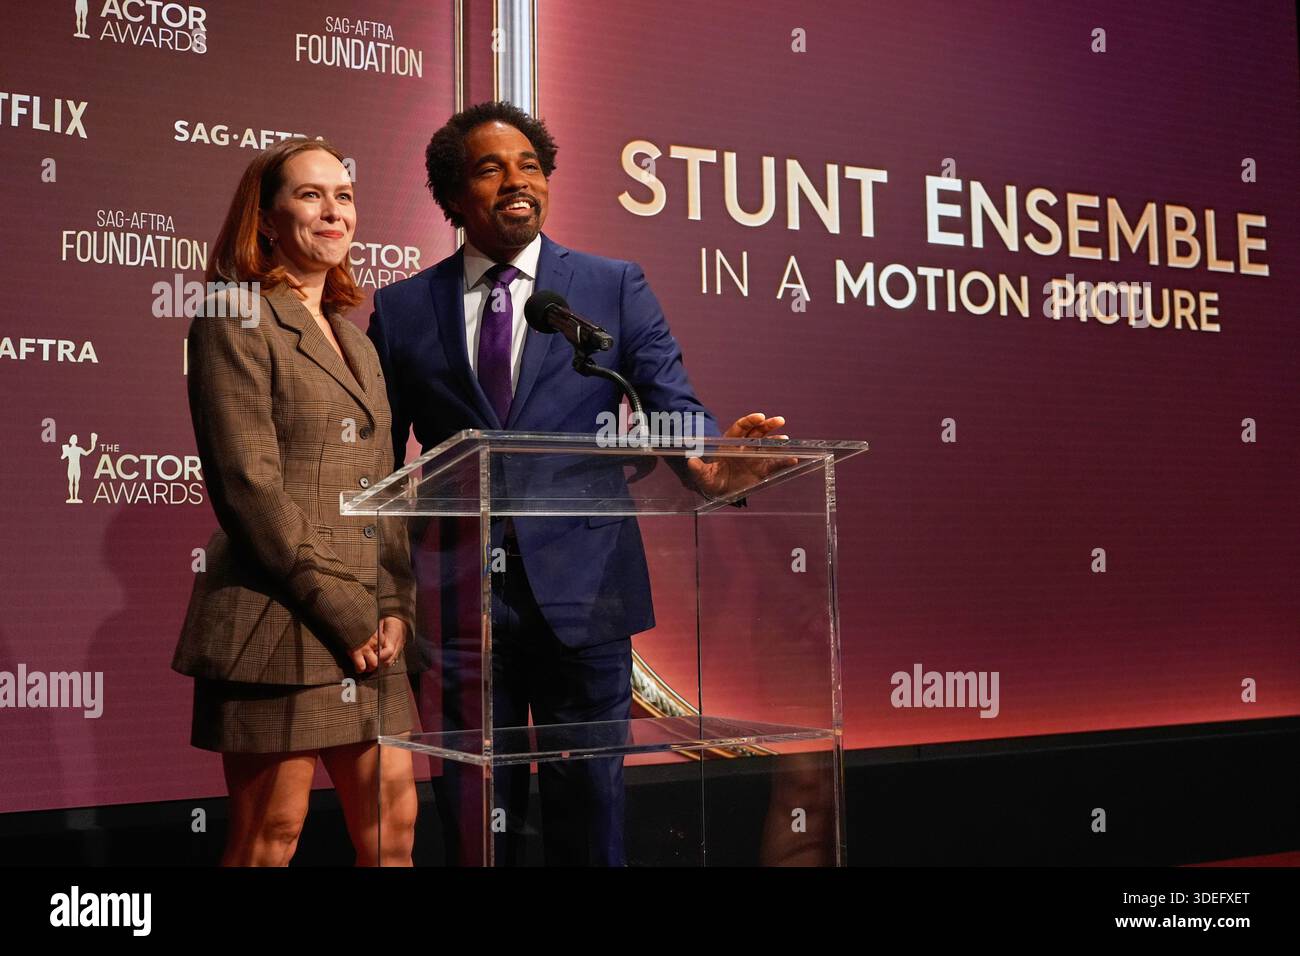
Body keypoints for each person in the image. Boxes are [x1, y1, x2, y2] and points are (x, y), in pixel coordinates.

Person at [367, 101, 786, 865]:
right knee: (476, 816)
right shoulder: (400, 310)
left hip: (587, 589)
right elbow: (382, 466)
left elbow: (670, 402)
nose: (517, 182)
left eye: (531, 166)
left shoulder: (610, 287)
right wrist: (388, 590)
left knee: (590, 806)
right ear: (453, 194)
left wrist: (710, 466)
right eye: (491, 169)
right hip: (460, 598)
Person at [172, 138, 419, 866]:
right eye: (310, 194)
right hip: (281, 620)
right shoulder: (233, 316)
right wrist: (347, 611)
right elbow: (249, 487)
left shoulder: (359, 343)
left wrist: (397, 606)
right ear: (268, 218)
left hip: (375, 631)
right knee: (267, 843)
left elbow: (384, 487)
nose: (333, 209)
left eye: (343, 194)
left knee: (393, 839)